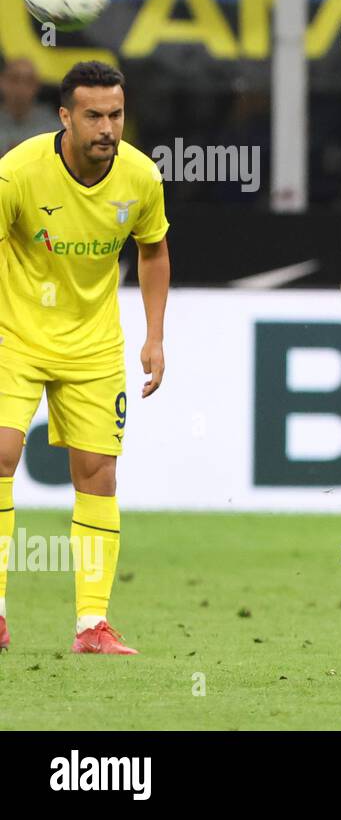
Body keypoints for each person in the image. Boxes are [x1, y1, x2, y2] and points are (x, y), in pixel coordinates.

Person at [0, 61, 170, 655]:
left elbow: (152, 251)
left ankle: (91, 625)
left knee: (99, 473)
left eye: (116, 115)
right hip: (14, 336)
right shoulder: (18, 172)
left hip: (93, 344)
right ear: (65, 116)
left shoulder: (142, 177)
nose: (107, 128)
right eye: (94, 115)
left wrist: (154, 336)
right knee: (0, 452)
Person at [0, 58, 61, 156]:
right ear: (2, 82)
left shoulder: (54, 129)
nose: (20, 88)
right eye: (14, 79)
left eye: (28, 81)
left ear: (37, 86)